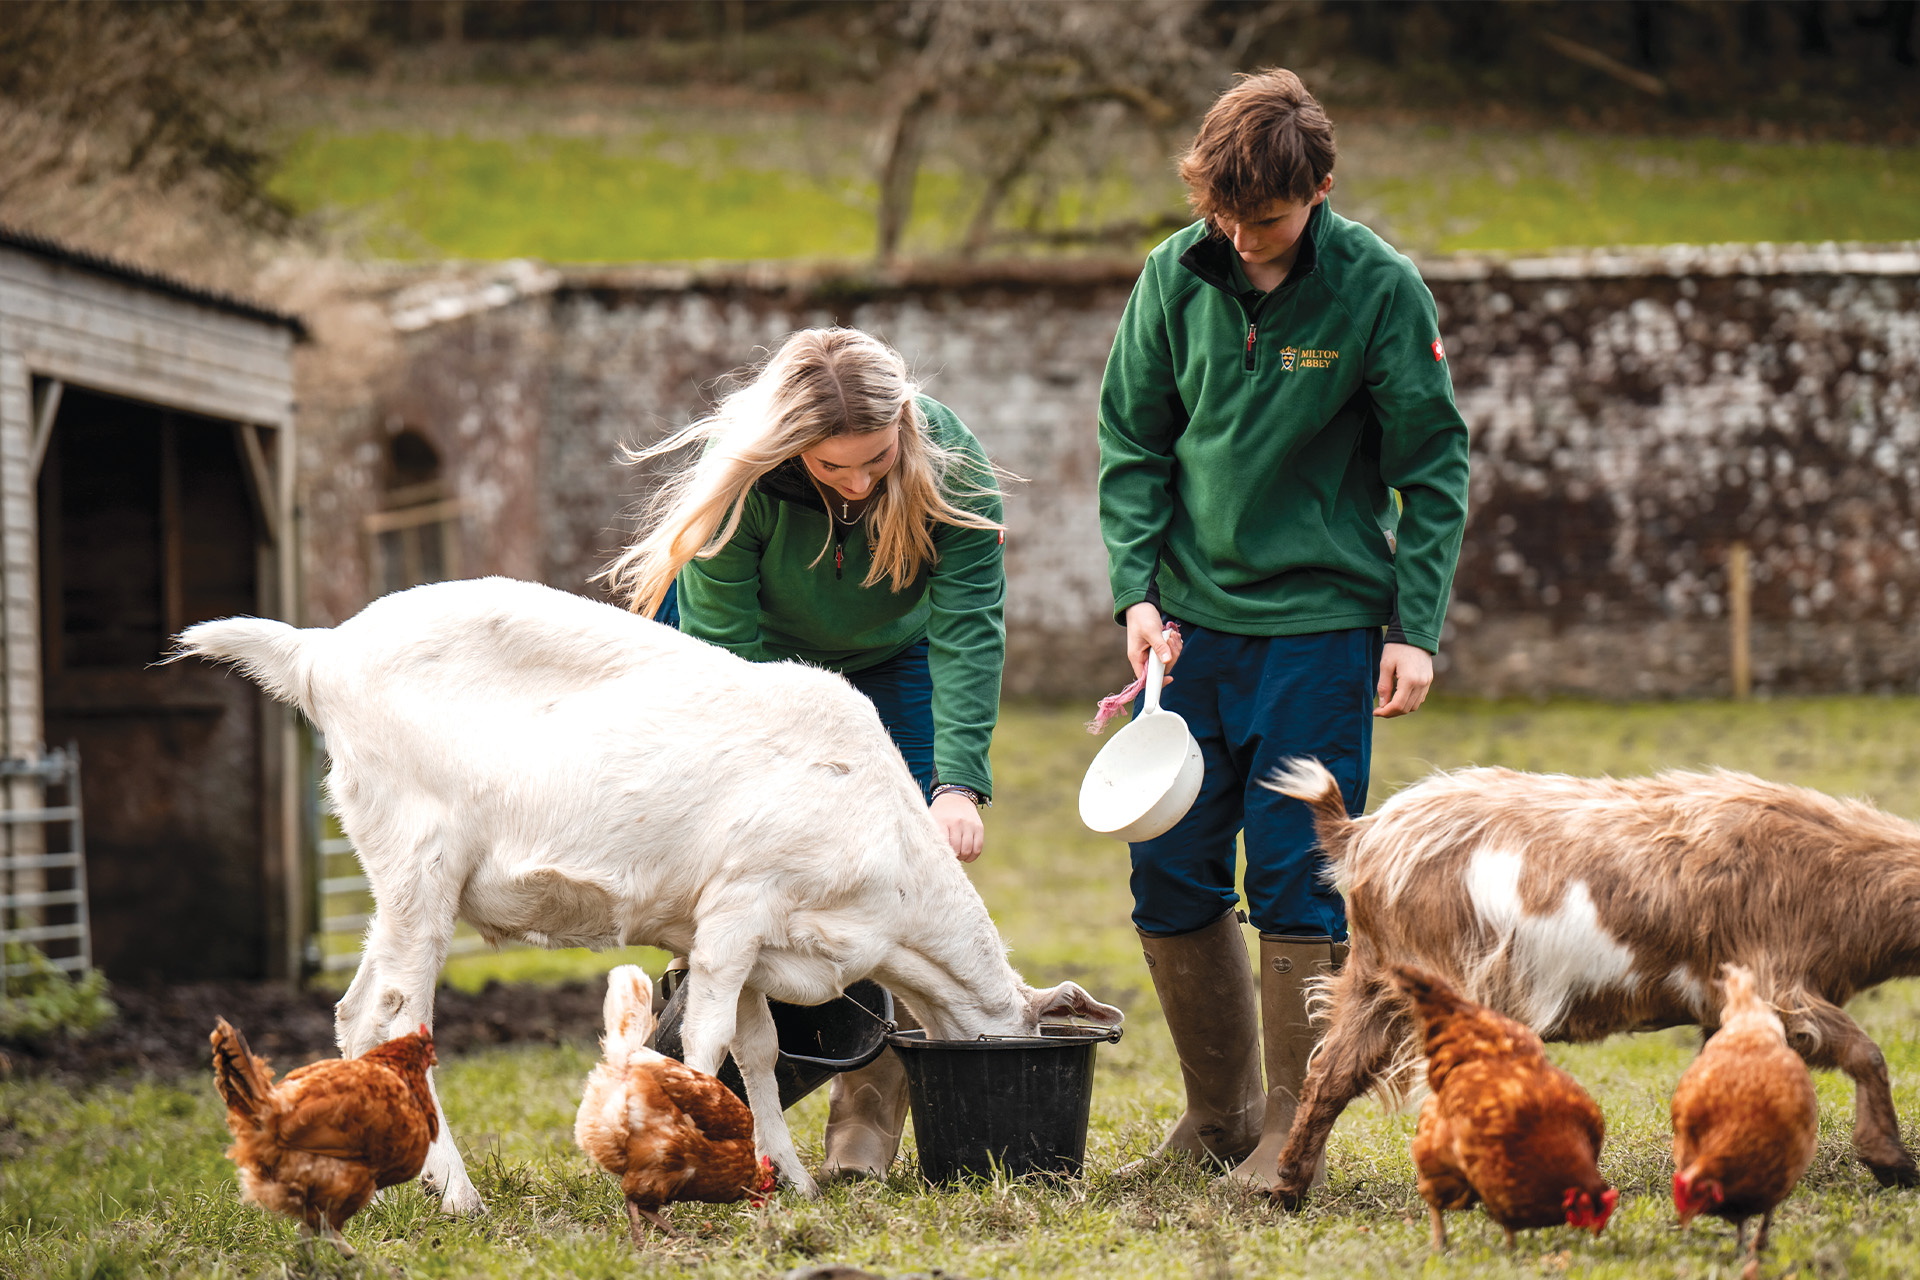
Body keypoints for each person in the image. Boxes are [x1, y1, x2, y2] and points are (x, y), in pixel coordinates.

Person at [1096, 69, 1470, 1191]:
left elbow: (1433, 466)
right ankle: (1214, 1114)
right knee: (1166, 867)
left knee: (1300, 882)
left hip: (1321, 631)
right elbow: (1133, 443)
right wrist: (1138, 593)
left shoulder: (1378, 290)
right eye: (1226, 214)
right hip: (1191, 639)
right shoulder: (1174, 273)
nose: (1242, 236)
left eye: (1264, 219)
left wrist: (1416, 626)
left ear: (1318, 191)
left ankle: (1283, 1129)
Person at [604, 325, 1007, 1180]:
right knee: (740, 860)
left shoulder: (949, 454)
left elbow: (969, 625)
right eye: (833, 468)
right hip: (737, 663)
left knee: (904, 876)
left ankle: (864, 1126)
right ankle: (696, 1087)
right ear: (792, 446)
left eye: (877, 459)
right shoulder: (740, 477)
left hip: (889, 659)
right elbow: (729, 664)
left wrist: (957, 781)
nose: (860, 482)